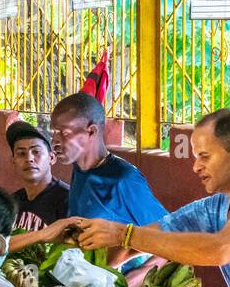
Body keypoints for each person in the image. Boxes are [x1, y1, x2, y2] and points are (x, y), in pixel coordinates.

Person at [75, 108, 230, 287]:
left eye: (204, 156)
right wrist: (83, 257)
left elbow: (220, 249)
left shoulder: (126, 179)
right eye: (196, 157)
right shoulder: (211, 210)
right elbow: (142, 240)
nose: (196, 167)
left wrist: (123, 234)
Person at [52, 92, 165, 228]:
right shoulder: (80, 169)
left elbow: (165, 233)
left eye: (64, 133)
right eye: (54, 132)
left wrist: (122, 246)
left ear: (91, 131)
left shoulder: (124, 179)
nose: (54, 141)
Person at [7, 121, 69, 232]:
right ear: (13, 161)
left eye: (36, 152)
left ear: (52, 158)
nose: (29, 158)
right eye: (21, 154)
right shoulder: (11, 203)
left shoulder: (67, 200)